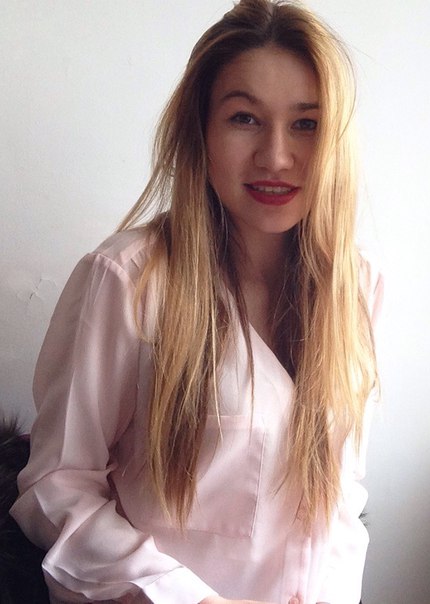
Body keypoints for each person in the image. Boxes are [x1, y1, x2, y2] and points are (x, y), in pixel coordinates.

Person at [10, 1, 383, 603]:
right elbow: (56, 487)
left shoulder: (357, 287)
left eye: (306, 123)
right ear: (201, 132)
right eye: (244, 118)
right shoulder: (128, 281)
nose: (276, 156)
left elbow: (342, 499)